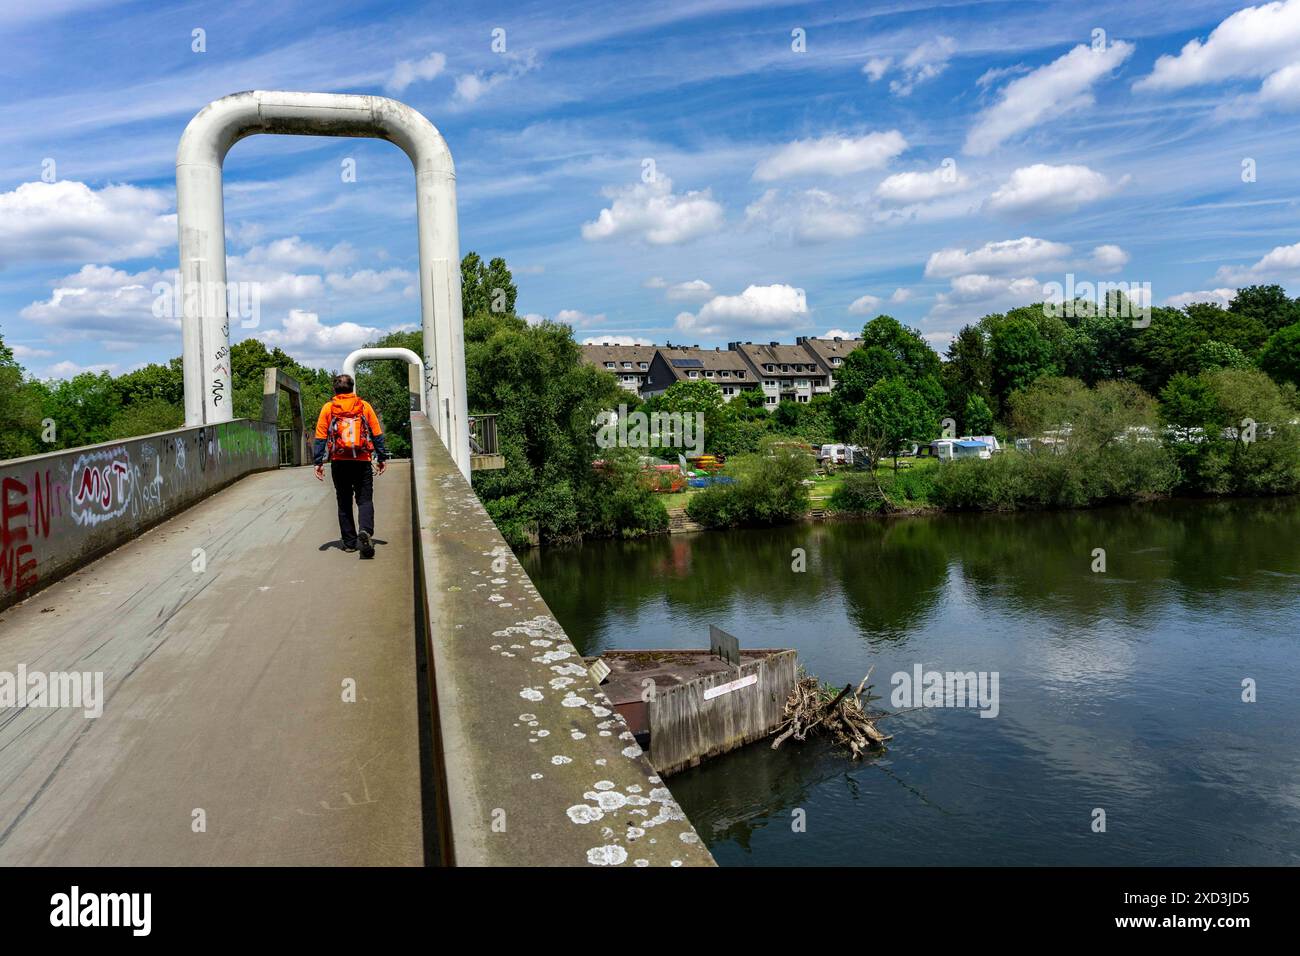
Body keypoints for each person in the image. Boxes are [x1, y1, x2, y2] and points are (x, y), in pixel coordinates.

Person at [313, 374, 389, 558]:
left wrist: (318, 462)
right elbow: (377, 433)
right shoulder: (364, 406)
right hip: (362, 460)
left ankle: (349, 542)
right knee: (364, 499)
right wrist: (381, 457)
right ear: (352, 388)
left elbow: (320, 436)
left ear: (335, 390)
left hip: (339, 462)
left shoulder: (328, 408)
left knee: (344, 501)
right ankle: (365, 531)